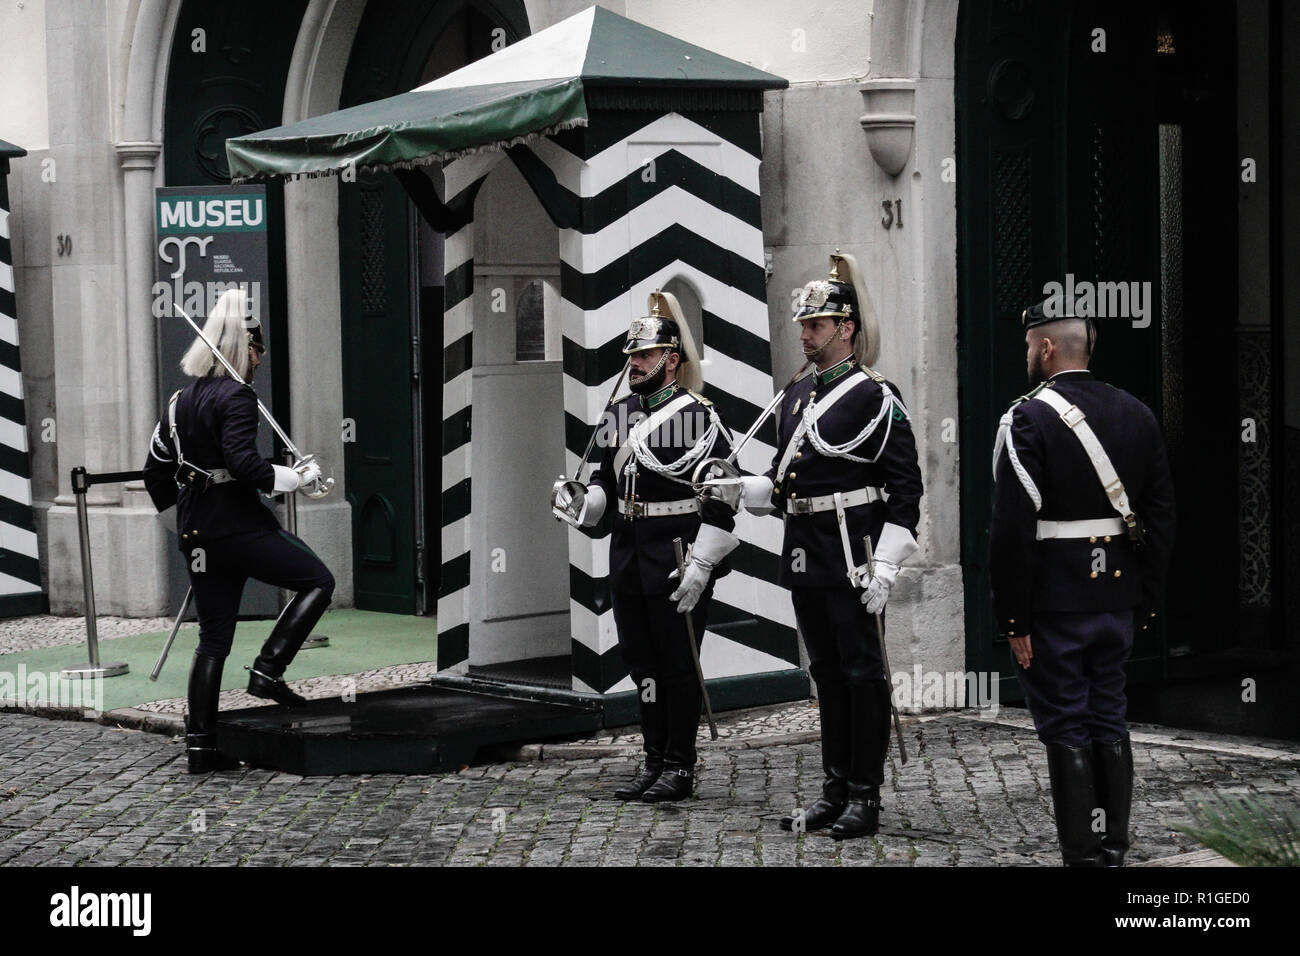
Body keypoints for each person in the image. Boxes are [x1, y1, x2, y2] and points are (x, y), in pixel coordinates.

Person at [731, 253, 923, 839]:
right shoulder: (794, 394)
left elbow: (906, 489)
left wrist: (887, 563)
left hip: (856, 554)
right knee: (828, 674)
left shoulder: (876, 397)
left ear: (845, 327)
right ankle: (834, 787)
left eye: (815, 325)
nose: (805, 335)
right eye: (803, 326)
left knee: (865, 675)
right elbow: (791, 480)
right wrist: (756, 490)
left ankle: (866, 795)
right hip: (805, 549)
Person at [989, 298, 1175, 865]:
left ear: (1046, 348)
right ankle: (1113, 846)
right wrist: (1142, 599)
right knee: (1108, 715)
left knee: (1067, 719)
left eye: (1028, 346)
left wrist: (1014, 620)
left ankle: (1083, 854)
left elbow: (1013, 533)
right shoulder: (1136, 413)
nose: (1027, 355)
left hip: (1055, 606)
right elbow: (1162, 517)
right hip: (1115, 600)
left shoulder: (1027, 419)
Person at [552, 292, 737, 802]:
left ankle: (680, 764)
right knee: (643, 665)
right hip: (629, 552)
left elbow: (722, 494)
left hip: (677, 553)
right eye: (631, 356)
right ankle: (653, 757)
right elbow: (605, 489)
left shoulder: (700, 416)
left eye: (645, 356)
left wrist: (704, 563)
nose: (634, 364)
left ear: (672, 359)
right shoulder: (618, 414)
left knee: (678, 665)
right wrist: (579, 503)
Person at [143, 289, 335, 774]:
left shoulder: (178, 401)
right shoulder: (237, 396)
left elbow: (155, 472)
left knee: (212, 640)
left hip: (199, 536)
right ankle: (269, 671)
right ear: (244, 350)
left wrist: (183, 527)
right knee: (318, 581)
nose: (259, 362)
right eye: (258, 353)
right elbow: (244, 464)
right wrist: (297, 478)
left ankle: (202, 750)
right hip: (238, 529)